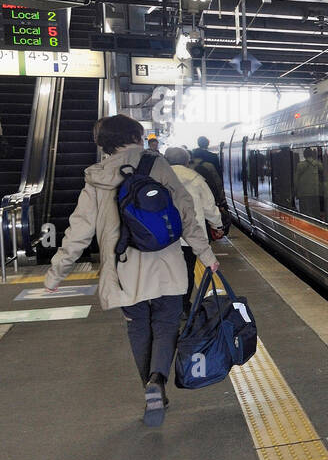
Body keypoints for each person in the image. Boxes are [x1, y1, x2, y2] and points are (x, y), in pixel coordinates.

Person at [44, 115, 218, 428]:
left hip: (123, 269)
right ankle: (158, 379)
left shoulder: (96, 177)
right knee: (166, 324)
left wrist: (57, 272)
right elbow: (186, 213)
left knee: (138, 326)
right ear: (137, 136)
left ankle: (151, 391)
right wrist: (205, 254)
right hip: (166, 262)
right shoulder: (158, 165)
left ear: (104, 143)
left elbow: (79, 230)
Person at [163, 147, 224, 313]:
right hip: (190, 236)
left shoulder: (158, 177)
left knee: (166, 270)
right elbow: (209, 207)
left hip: (163, 236)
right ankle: (183, 304)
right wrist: (217, 226)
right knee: (187, 270)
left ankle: (168, 305)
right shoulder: (195, 178)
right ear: (186, 161)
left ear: (165, 160)